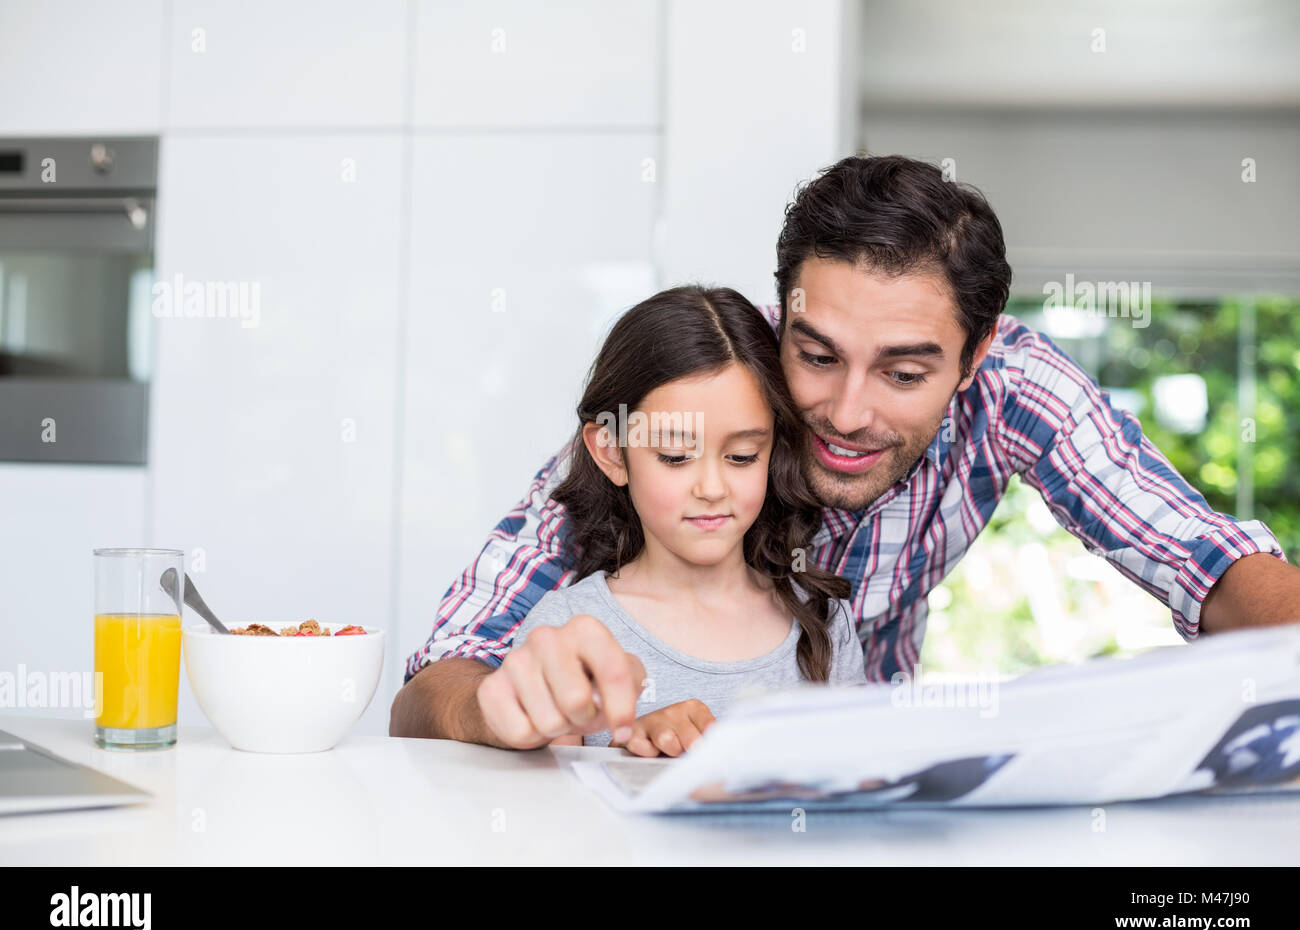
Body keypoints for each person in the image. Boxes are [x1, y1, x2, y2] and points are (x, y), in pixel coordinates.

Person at [390, 154, 1299, 749]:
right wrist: (495, 707)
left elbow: (1205, 558)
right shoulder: (706, 389)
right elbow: (438, 678)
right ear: (783, 313)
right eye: (816, 355)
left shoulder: (1016, 386)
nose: (844, 413)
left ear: (974, 357)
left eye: (903, 373)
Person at [487, 285, 863, 756]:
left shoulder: (824, 626)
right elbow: (553, 812)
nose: (711, 488)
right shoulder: (567, 631)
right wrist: (630, 753)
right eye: (675, 456)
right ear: (611, 452)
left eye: (743, 456)